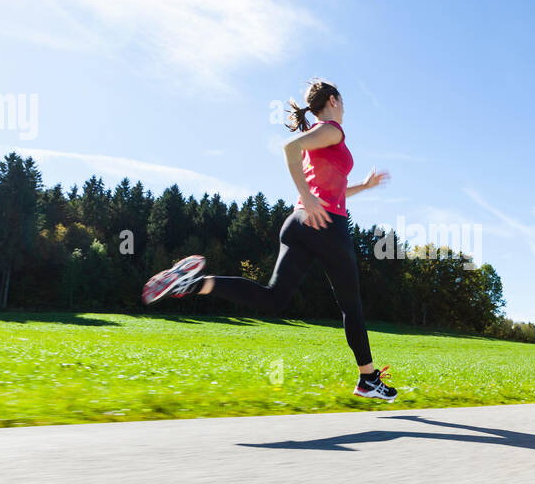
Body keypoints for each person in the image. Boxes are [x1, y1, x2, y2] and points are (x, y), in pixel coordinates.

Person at [142, 78, 397, 402]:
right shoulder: (332, 130)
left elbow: (332, 191)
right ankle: (368, 379)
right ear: (333, 100)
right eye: (342, 100)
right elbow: (289, 148)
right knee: (351, 307)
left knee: (273, 298)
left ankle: (193, 283)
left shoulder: (324, 138)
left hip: (299, 223)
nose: (344, 107)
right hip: (327, 226)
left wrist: (363, 185)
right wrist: (307, 194)